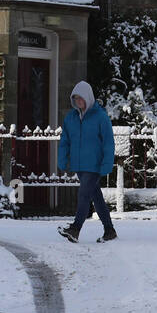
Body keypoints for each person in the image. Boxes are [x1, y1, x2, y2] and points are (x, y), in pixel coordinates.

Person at [56, 81, 117, 243]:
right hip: (80, 165)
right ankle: (109, 230)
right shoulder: (71, 117)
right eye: (75, 99)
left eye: (81, 98)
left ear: (88, 97)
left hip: (94, 165)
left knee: (83, 195)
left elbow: (108, 142)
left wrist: (106, 164)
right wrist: (62, 159)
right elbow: (65, 140)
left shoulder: (100, 117)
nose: (78, 102)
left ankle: (75, 229)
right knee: (96, 198)